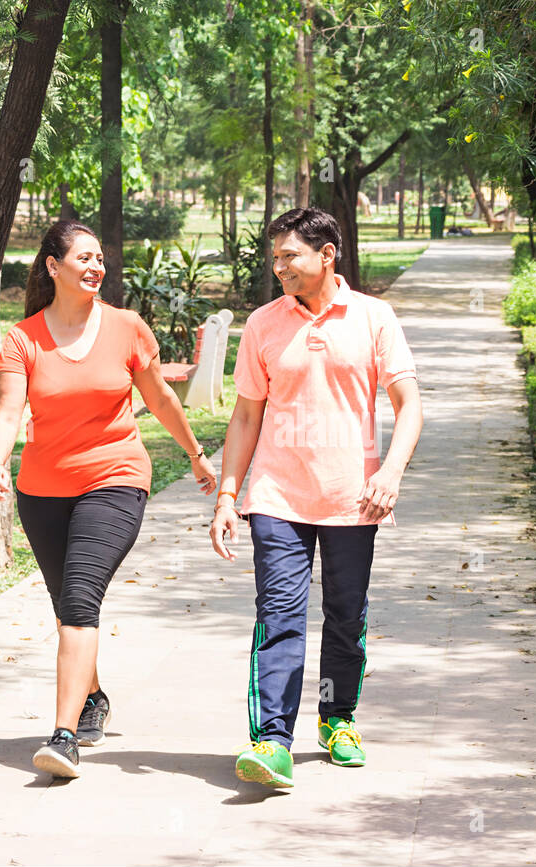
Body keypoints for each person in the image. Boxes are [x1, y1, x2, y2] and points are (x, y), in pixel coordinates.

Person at [0, 219, 216, 779]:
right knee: (69, 604)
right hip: (42, 490)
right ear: (53, 266)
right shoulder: (22, 340)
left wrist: (194, 454)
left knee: (80, 600)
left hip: (115, 478)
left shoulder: (127, 328)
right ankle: (91, 698)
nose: (95, 267)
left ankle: (63, 738)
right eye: (83, 258)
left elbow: (159, 397)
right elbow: (10, 411)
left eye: (99, 259)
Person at [209, 207, 423, 789]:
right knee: (278, 617)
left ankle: (337, 719)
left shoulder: (374, 317)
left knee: (345, 616)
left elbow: (410, 406)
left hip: (354, 498)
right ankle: (272, 741)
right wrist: (229, 495)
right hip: (277, 496)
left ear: (327, 255)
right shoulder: (263, 324)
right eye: (274, 258)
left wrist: (392, 473)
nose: (279, 267)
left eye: (290, 257)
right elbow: (247, 414)